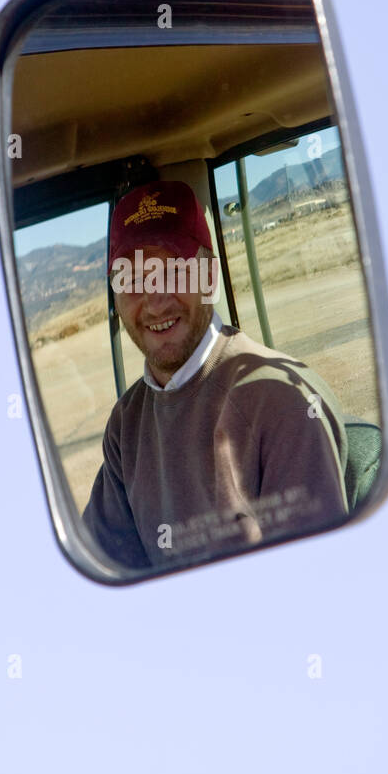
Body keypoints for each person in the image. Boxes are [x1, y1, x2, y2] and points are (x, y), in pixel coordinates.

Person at [82, 181, 349, 569]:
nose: (155, 302)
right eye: (133, 279)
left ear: (210, 275)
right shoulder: (127, 423)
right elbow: (104, 565)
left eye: (175, 271)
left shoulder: (281, 403)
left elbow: (310, 587)